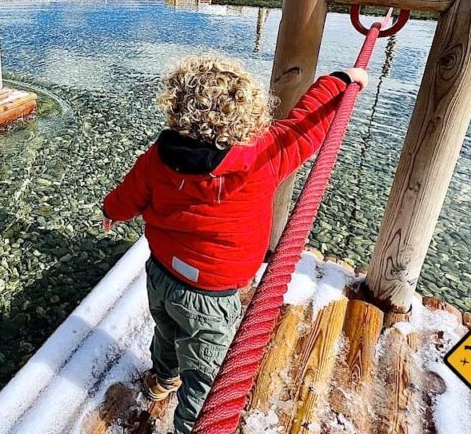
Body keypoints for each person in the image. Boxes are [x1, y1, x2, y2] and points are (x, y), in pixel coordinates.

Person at [101, 54, 366, 434]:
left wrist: (111, 212)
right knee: (205, 374)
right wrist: (340, 79)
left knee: (166, 330)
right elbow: (307, 126)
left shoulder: (157, 159)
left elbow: (127, 198)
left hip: (160, 273)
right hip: (211, 294)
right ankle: (192, 427)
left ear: (175, 109)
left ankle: (161, 380)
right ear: (250, 113)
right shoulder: (263, 155)